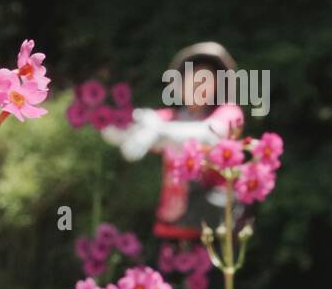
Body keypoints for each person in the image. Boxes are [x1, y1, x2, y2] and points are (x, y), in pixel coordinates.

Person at [103, 41, 244, 240]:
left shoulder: (228, 112)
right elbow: (118, 132)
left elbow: (211, 135)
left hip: (215, 230)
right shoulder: (168, 118)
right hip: (172, 227)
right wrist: (114, 119)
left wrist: (157, 132)